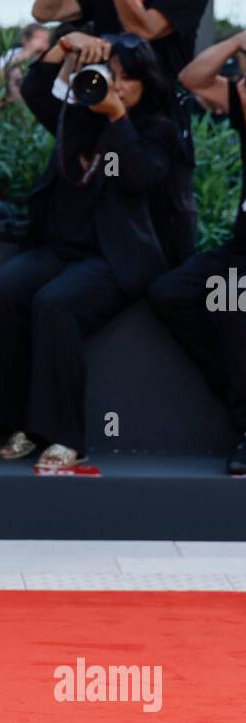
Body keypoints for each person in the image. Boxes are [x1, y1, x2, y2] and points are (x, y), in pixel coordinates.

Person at [0, 31, 179, 470]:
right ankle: (20, 424)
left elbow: (138, 177)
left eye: (128, 78)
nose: (118, 85)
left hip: (117, 257)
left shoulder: (159, 129)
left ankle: (66, 437)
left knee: (55, 304)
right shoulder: (78, 116)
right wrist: (64, 47)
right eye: (112, 74)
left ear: (147, 82)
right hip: (61, 248)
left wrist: (118, 117)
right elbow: (33, 90)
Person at [31, 0, 209, 268]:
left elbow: (141, 29)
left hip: (162, 126)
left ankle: (170, 304)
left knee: (170, 222)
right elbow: (44, 10)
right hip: (111, 116)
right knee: (113, 221)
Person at [147, 30, 246, 475]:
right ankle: (233, 385)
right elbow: (191, 77)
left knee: (234, 306)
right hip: (241, 250)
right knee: (171, 293)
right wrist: (239, 40)